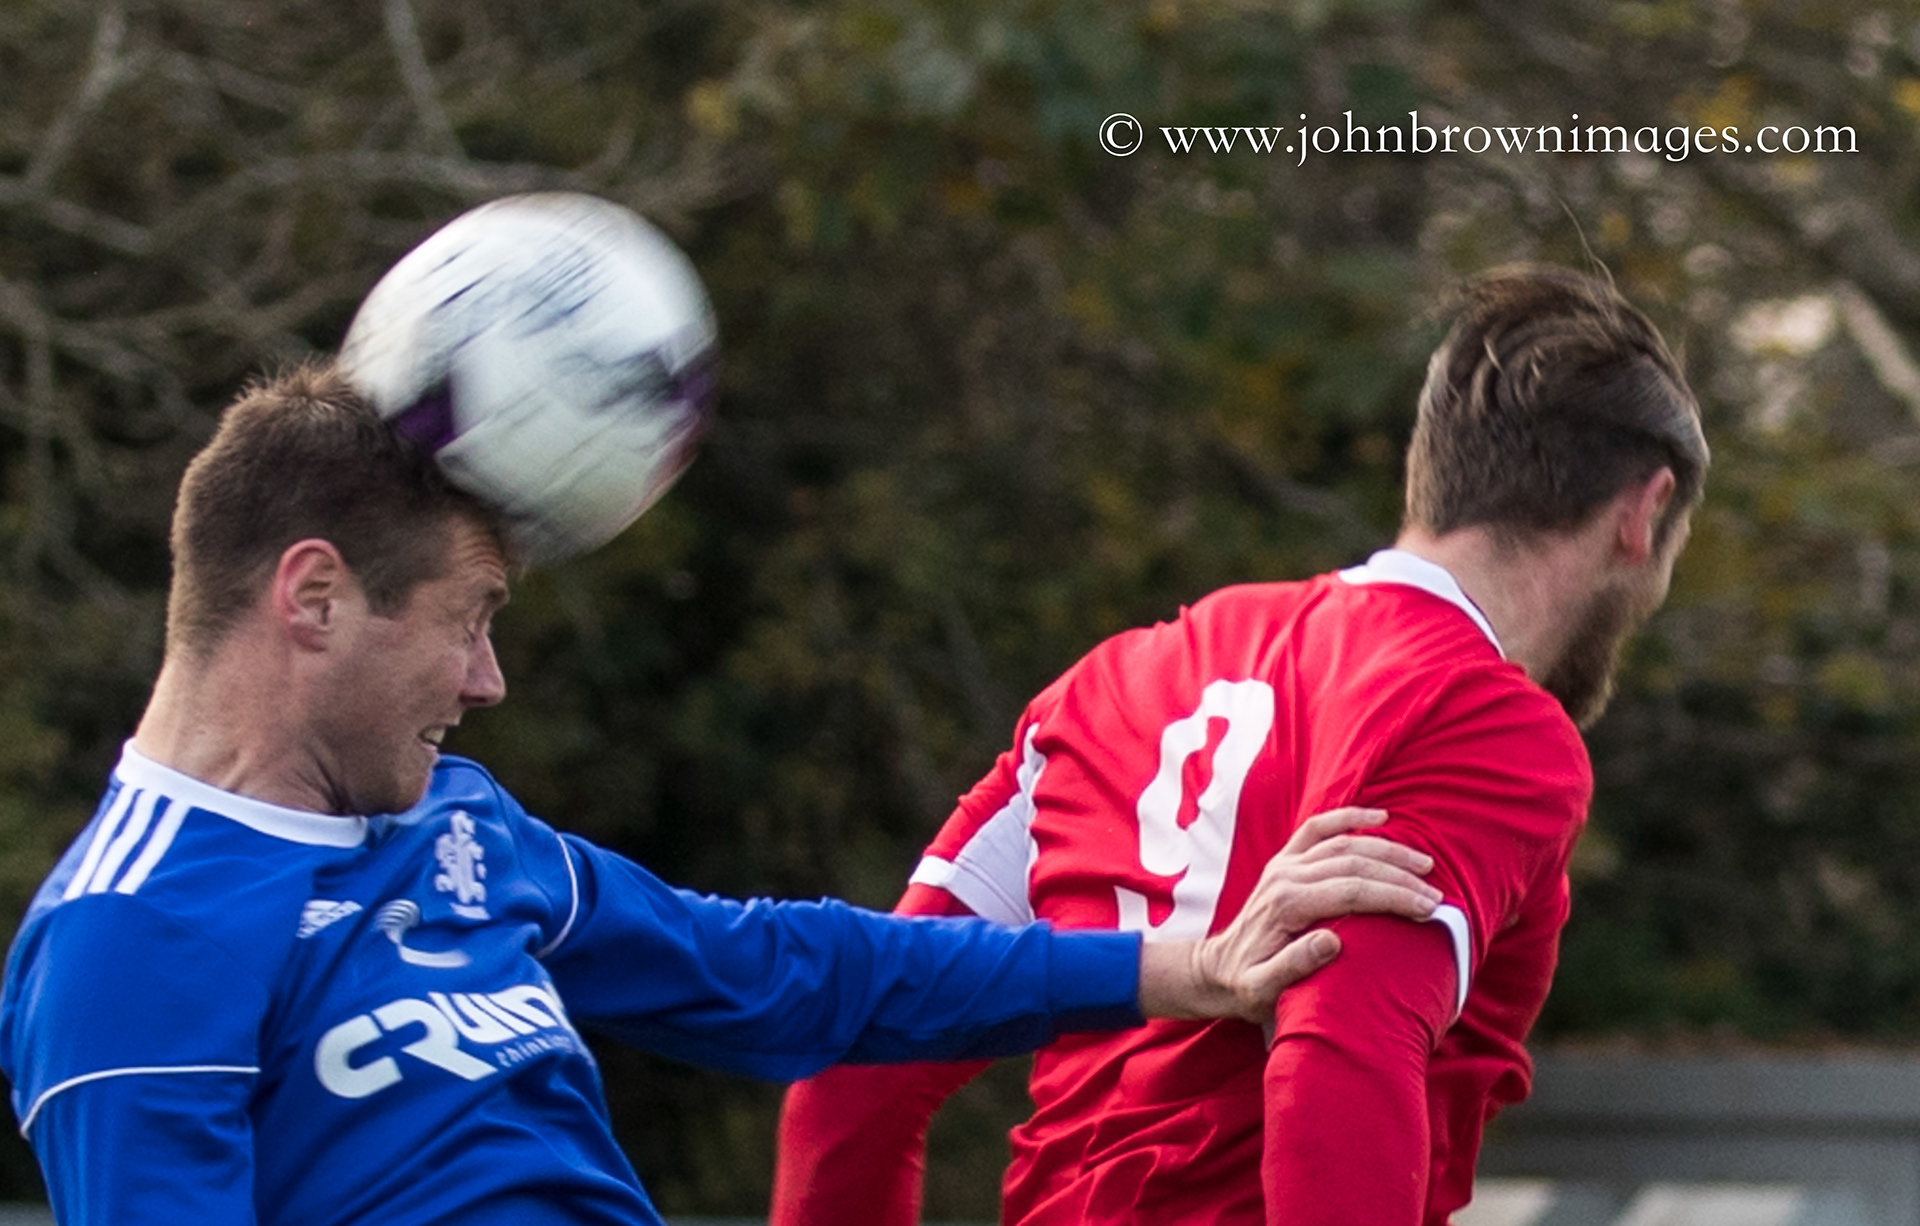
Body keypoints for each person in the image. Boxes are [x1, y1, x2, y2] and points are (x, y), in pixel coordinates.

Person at [0, 362, 1443, 1226]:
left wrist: (1182, 964)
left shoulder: (455, 824)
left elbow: (773, 970)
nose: (490, 678)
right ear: (313, 595)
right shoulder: (130, 937)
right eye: (470, 617)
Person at [772, 265, 1710, 1226]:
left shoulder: (1112, 683)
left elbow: (863, 1060)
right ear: (1642, 515)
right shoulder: (1485, 716)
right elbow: (1338, 1058)